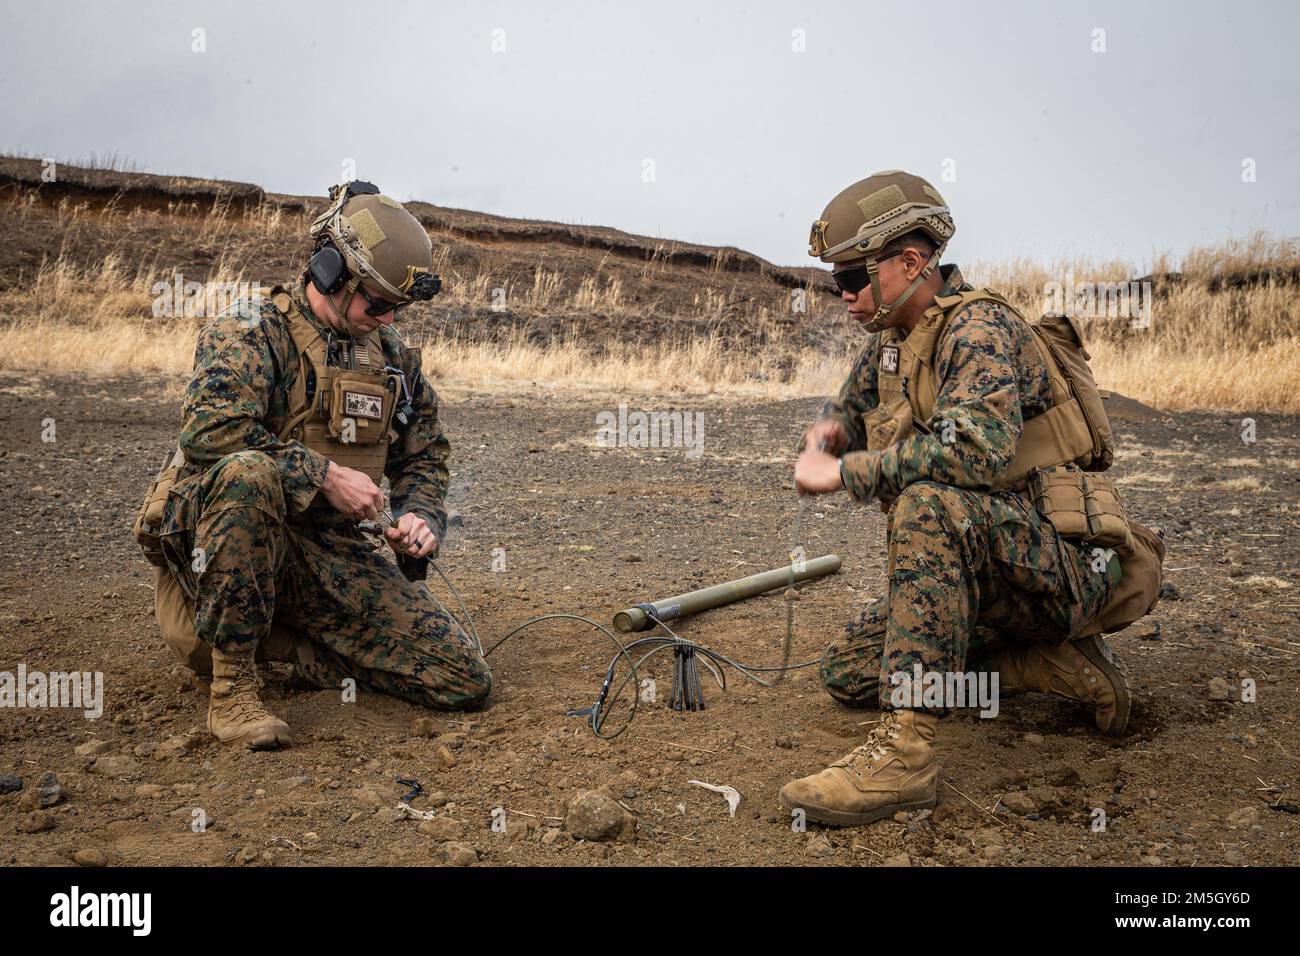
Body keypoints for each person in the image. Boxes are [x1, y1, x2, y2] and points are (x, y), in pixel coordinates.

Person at [780, 170, 1136, 826]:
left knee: (927, 504)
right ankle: (1039, 665)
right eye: (837, 283)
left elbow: (972, 451)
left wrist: (849, 473)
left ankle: (905, 762)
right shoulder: (894, 341)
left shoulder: (978, 329)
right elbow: (852, 406)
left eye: (853, 278)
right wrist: (829, 430)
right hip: (993, 573)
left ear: (911, 262)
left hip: (1062, 568)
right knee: (850, 670)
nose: (845, 296)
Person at [143, 181, 491, 750]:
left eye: (396, 308)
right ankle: (233, 688)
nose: (386, 318)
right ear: (331, 273)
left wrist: (420, 517)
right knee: (248, 474)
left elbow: (425, 454)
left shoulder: (391, 357)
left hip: (323, 554)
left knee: (462, 679)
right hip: (226, 540)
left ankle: (293, 647)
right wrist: (324, 476)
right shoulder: (252, 330)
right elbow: (211, 432)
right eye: (376, 304)